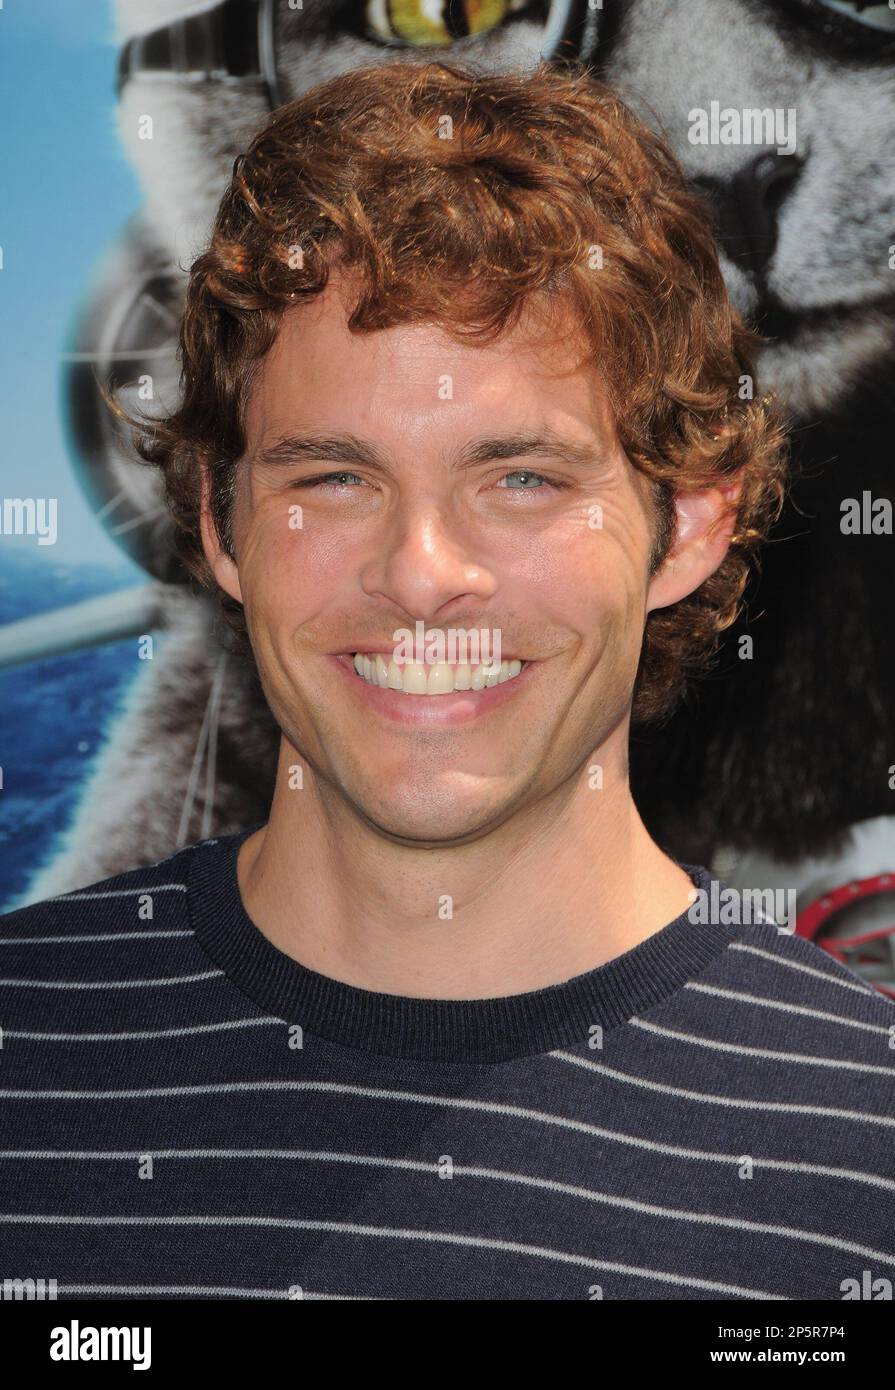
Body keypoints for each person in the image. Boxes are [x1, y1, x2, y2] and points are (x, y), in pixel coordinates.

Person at [2, 59, 891, 1303]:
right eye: (333, 479)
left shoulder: (866, 1148)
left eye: (521, 478)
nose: (422, 574)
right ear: (218, 523)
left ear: (686, 524)